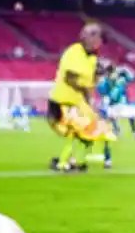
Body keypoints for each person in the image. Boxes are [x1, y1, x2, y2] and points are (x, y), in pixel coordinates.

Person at [46, 23, 114, 173]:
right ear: (86, 37)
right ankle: (64, 162)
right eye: (97, 37)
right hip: (62, 102)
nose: (99, 42)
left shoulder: (93, 58)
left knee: (95, 128)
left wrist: (100, 76)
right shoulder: (74, 52)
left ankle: (76, 161)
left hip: (77, 102)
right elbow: (70, 78)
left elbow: (89, 82)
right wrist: (86, 90)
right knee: (79, 130)